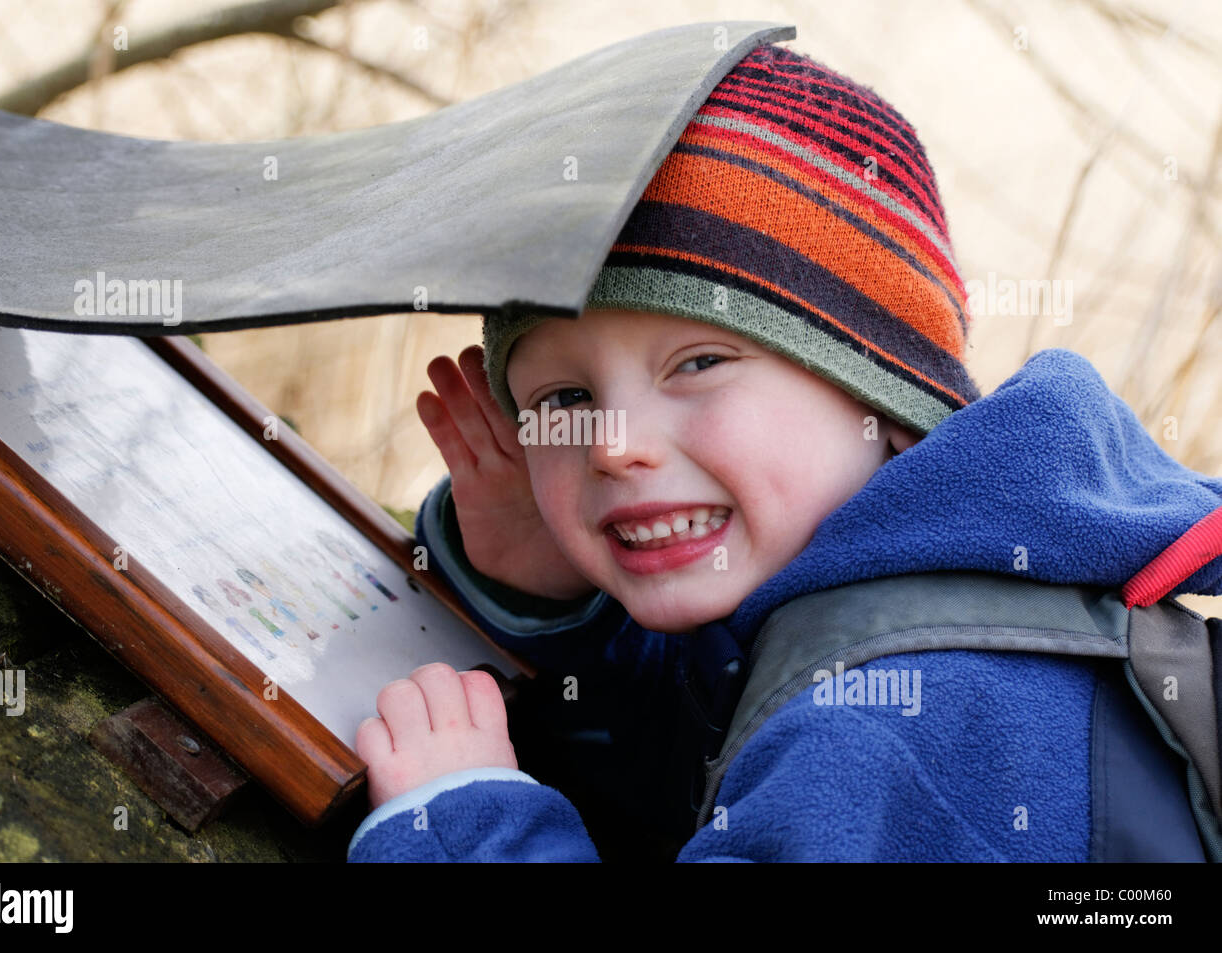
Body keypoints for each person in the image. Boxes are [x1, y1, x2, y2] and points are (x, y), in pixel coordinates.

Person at [346, 42, 1222, 861]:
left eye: (698, 363)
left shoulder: (887, 721)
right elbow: (705, 742)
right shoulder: (901, 598)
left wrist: (463, 825)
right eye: (565, 399)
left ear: (886, 399)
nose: (611, 447)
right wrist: (552, 603)